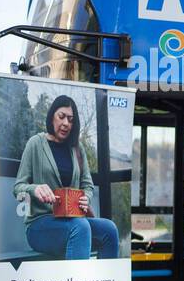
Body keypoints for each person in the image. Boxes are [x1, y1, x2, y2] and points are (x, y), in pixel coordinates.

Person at [12, 94, 119, 261]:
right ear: (52, 116)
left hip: (73, 220)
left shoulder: (77, 148)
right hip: (39, 225)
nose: (66, 123)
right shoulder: (35, 144)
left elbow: (88, 185)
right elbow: (18, 188)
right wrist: (34, 189)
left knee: (109, 229)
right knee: (80, 226)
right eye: (61, 116)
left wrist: (86, 197)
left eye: (70, 119)